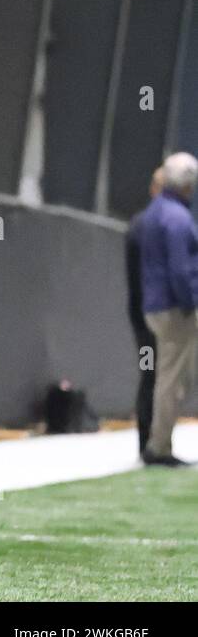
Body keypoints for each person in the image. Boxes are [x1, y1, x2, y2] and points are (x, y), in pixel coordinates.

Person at [136, 152, 198, 467]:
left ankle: (157, 443)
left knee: (166, 377)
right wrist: (190, 304)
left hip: (156, 306)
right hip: (175, 310)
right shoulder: (177, 218)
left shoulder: (155, 212)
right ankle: (159, 447)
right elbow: (180, 270)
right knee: (172, 381)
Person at [126, 166, 165, 457]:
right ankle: (149, 442)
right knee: (153, 375)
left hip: (144, 313)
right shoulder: (147, 226)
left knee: (153, 375)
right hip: (149, 316)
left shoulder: (142, 224)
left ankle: (149, 440)